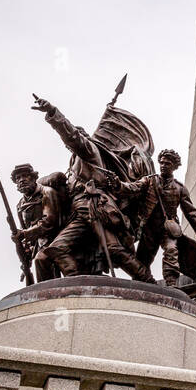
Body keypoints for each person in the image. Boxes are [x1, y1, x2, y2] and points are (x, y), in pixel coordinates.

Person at [30, 96, 154, 282]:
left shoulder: (88, 150)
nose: (68, 144)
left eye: (73, 140)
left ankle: (148, 281)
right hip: (79, 213)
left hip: (94, 207)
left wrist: (52, 113)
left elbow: (71, 135)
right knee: (59, 248)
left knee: (113, 250)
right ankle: (78, 285)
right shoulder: (73, 165)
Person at [127, 148, 196, 287]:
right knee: (142, 260)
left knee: (171, 250)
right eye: (162, 163)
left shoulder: (179, 188)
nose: (163, 165)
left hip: (168, 229)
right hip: (149, 228)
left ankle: (171, 283)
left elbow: (191, 212)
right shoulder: (149, 181)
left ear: (174, 166)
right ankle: (139, 284)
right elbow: (132, 188)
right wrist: (117, 184)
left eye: (167, 164)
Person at [11, 163, 65, 281]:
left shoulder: (47, 192)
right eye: (18, 178)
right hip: (38, 244)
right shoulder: (20, 205)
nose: (21, 180)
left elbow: (49, 221)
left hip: (57, 237)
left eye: (25, 176)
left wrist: (25, 234)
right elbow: (24, 229)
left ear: (34, 177)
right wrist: (24, 249)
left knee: (41, 260)